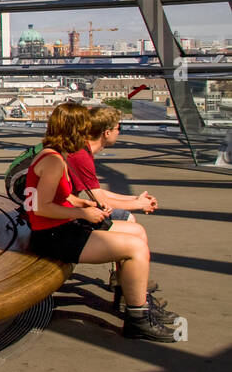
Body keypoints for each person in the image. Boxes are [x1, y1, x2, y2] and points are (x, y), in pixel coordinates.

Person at [25, 102, 178, 342]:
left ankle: (137, 300)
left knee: (135, 231)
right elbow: (41, 207)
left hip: (57, 230)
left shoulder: (53, 155)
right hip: (54, 236)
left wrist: (80, 203)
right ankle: (138, 318)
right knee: (135, 248)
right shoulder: (55, 161)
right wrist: (82, 214)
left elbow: (57, 197)